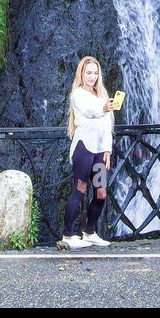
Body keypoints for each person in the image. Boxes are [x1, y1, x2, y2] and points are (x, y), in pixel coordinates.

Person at [58, 55, 115, 251]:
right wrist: (104, 107)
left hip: (100, 151)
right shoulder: (78, 95)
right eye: (88, 72)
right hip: (84, 148)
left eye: (95, 72)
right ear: (81, 74)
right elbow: (91, 112)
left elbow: (108, 125)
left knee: (101, 192)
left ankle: (89, 232)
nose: (92, 76)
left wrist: (108, 148)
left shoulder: (102, 95)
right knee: (80, 189)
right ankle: (68, 234)